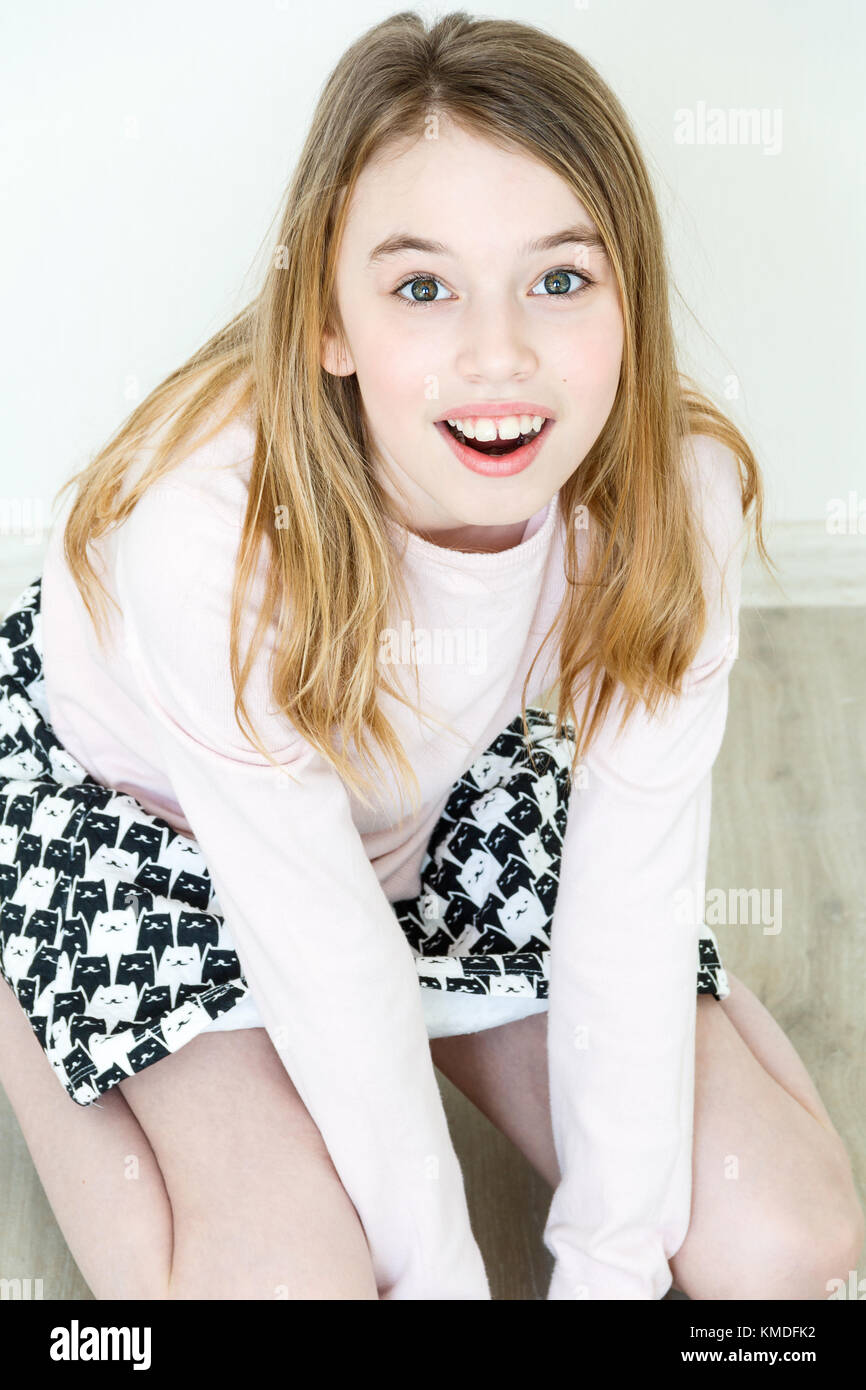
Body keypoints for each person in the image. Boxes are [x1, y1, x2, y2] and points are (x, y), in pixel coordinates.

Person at [0, 10, 860, 1301]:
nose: (498, 354)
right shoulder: (211, 537)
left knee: (782, 1247)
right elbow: (316, 936)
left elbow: (624, 898)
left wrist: (605, 1270)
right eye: (420, 286)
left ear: (630, 294)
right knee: (290, 1290)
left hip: (428, 793)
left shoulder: (665, 494)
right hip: (143, 815)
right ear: (327, 324)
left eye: (560, 279)